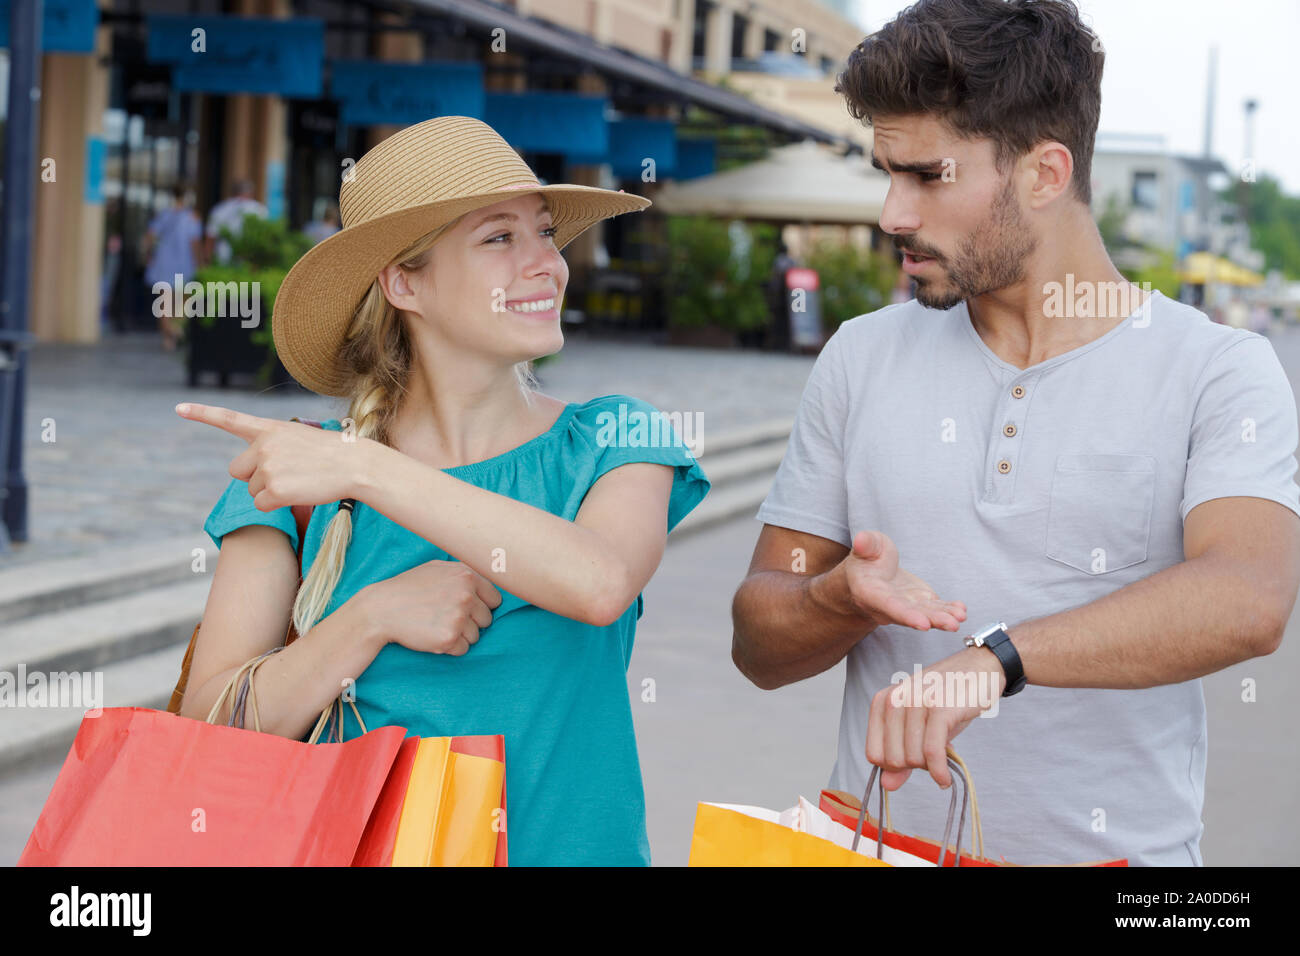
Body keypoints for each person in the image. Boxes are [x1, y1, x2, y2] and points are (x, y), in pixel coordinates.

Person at [732, 0, 1300, 867]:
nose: (892, 213)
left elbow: (1250, 598)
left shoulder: (1218, 370)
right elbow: (758, 646)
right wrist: (835, 599)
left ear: (1045, 173)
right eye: (886, 172)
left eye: (927, 176)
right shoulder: (862, 356)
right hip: (869, 849)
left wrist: (996, 660)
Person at [174, 116, 710, 866]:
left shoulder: (617, 440)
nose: (547, 264)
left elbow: (599, 581)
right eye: (499, 238)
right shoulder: (303, 486)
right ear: (403, 282)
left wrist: (368, 468)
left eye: (546, 233)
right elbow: (212, 731)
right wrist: (367, 619)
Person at [142, 183, 202, 351]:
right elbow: (195, 243)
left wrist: (148, 255)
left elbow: (149, 237)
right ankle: (176, 331)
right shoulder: (192, 217)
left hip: (164, 261)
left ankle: (169, 337)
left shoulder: (164, 215)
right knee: (182, 301)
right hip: (185, 262)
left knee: (164, 303)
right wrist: (200, 261)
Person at [204, 177, 267, 265]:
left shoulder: (220, 209)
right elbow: (264, 239)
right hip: (249, 261)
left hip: (222, 258)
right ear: (251, 193)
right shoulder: (259, 210)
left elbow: (210, 238)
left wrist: (207, 261)